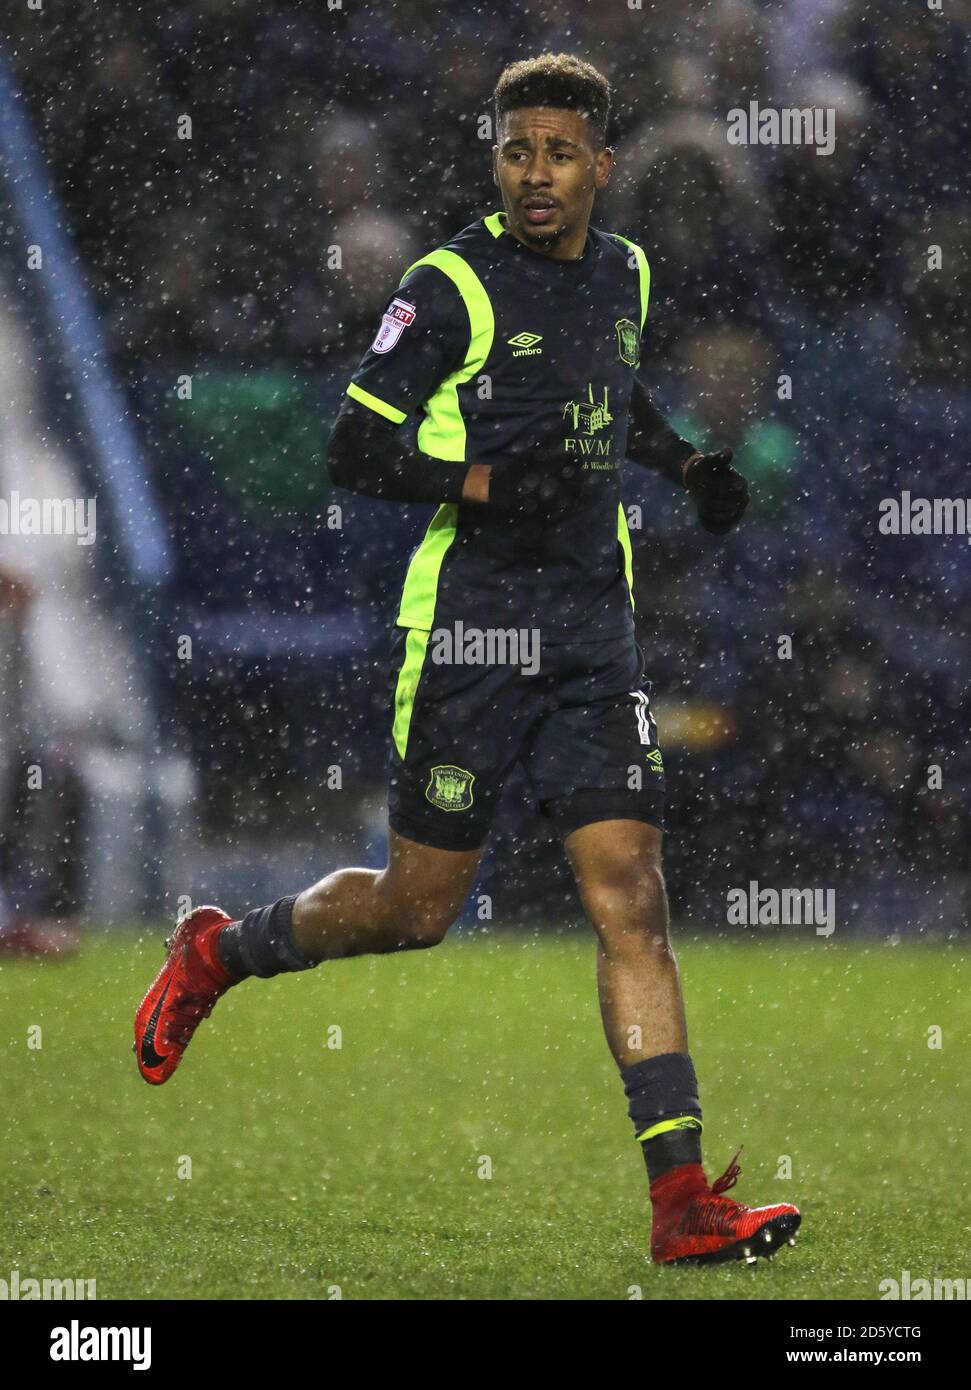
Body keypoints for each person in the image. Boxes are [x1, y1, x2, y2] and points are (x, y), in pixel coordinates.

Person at [134, 53, 800, 1266]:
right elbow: (353, 447)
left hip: (594, 634)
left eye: (557, 152)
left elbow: (616, 400)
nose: (533, 173)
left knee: (630, 899)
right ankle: (218, 951)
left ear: (600, 164)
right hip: (470, 638)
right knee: (415, 908)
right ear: (492, 155)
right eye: (513, 149)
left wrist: (686, 463)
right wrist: (486, 480)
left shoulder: (626, 273)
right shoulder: (448, 286)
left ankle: (681, 1203)